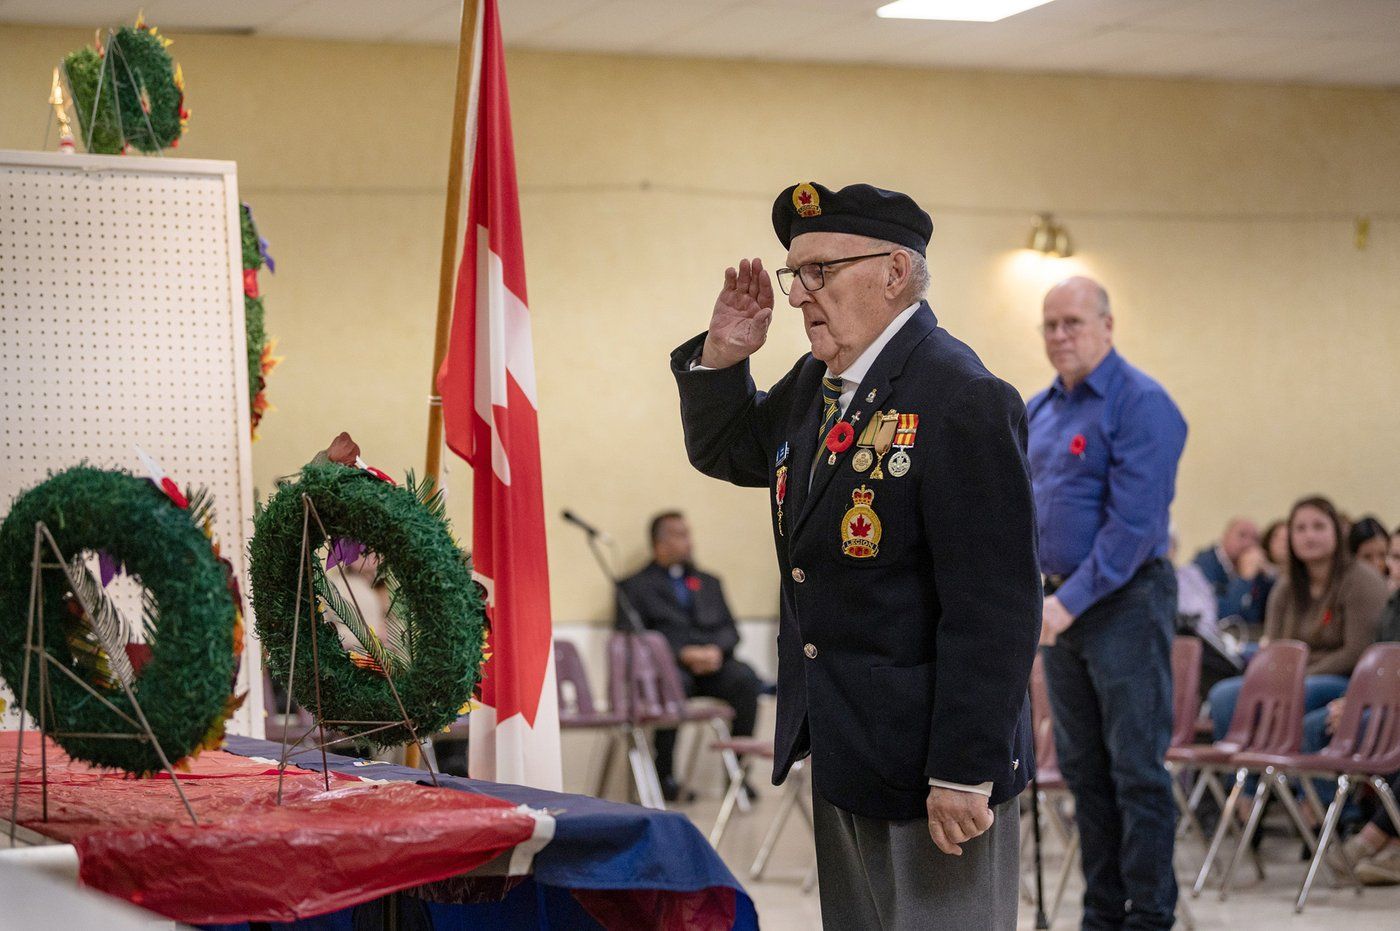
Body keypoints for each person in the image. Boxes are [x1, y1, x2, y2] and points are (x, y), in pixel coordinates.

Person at [670, 181, 1040, 929]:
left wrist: (964, 770)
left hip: (931, 762)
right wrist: (724, 358)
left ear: (894, 271)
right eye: (794, 274)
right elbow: (732, 449)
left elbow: (994, 609)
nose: (801, 294)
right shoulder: (820, 383)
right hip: (847, 744)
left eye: (821, 271)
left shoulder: (960, 395)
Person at [1028, 276, 1188, 930]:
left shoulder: (1142, 403)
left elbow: (1134, 527)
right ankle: (1101, 914)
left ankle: (1148, 916)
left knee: (1137, 771)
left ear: (1107, 325)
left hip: (1125, 602)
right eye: (1050, 324)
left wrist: (1065, 604)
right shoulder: (1038, 411)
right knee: (1083, 772)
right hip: (1057, 607)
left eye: (1072, 322)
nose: (1059, 335)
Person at [1207, 496, 1388, 742]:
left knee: (1302, 691)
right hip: (1293, 677)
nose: (1309, 536)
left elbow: (1357, 652)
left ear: (1336, 532)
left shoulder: (1361, 581)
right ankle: (1241, 766)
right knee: (1224, 695)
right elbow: (1275, 648)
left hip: (1348, 680)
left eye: (1318, 526)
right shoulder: (1285, 587)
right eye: (1300, 529)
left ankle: (1281, 764)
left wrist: (1302, 674)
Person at [617, 511, 762, 802]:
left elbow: (730, 630)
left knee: (746, 679)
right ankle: (665, 777)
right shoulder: (634, 587)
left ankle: (737, 775)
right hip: (669, 668)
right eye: (680, 535)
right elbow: (633, 636)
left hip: (713, 667)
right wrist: (681, 653)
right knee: (672, 686)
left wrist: (715, 651)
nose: (689, 542)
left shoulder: (708, 582)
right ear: (659, 543)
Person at [1191, 517, 1273, 627]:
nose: (1248, 543)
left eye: (1255, 539)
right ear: (1225, 536)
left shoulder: (1257, 571)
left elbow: (1258, 617)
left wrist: (1268, 577)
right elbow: (1219, 615)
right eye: (1242, 535)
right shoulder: (1202, 566)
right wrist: (1245, 579)